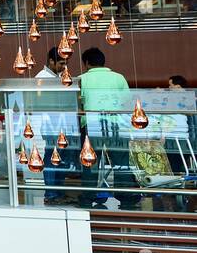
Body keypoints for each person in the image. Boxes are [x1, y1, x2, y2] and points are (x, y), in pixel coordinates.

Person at [78, 46, 138, 207]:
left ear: (87, 63)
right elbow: (127, 102)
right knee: (120, 162)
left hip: (91, 125)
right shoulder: (119, 78)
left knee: (89, 163)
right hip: (116, 124)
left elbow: (78, 104)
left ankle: (87, 198)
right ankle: (126, 197)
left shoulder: (82, 79)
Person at [34, 47, 74, 204]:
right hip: (51, 124)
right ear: (51, 61)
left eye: (66, 63)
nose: (64, 66)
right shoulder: (42, 77)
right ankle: (51, 194)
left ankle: (57, 193)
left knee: (59, 159)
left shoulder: (57, 76)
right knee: (52, 158)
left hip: (60, 124)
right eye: (61, 63)